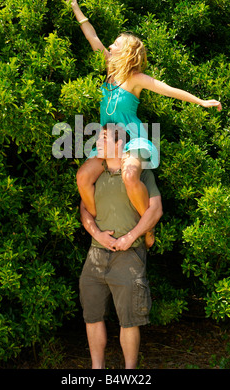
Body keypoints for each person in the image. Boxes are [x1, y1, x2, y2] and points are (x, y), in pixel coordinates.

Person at [65, 0, 221, 249]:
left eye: (115, 44)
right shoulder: (109, 70)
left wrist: (201, 101)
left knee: (129, 176)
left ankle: (145, 226)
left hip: (130, 138)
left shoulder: (135, 78)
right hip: (107, 140)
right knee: (83, 177)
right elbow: (91, 35)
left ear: (126, 51)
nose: (111, 46)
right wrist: (75, 7)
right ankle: (100, 223)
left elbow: (167, 89)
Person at [79, 124, 163, 369]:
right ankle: (97, 370)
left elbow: (155, 210)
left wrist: (130, 237)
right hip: (96, 253)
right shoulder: (97, 174)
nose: (97, 144)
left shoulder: (142, 173)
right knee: (92, 317)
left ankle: (129, 372)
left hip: (129, 255)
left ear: (119, 144)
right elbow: (84, 209)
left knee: (129, 320)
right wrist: (97, 234)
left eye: (103, 139)